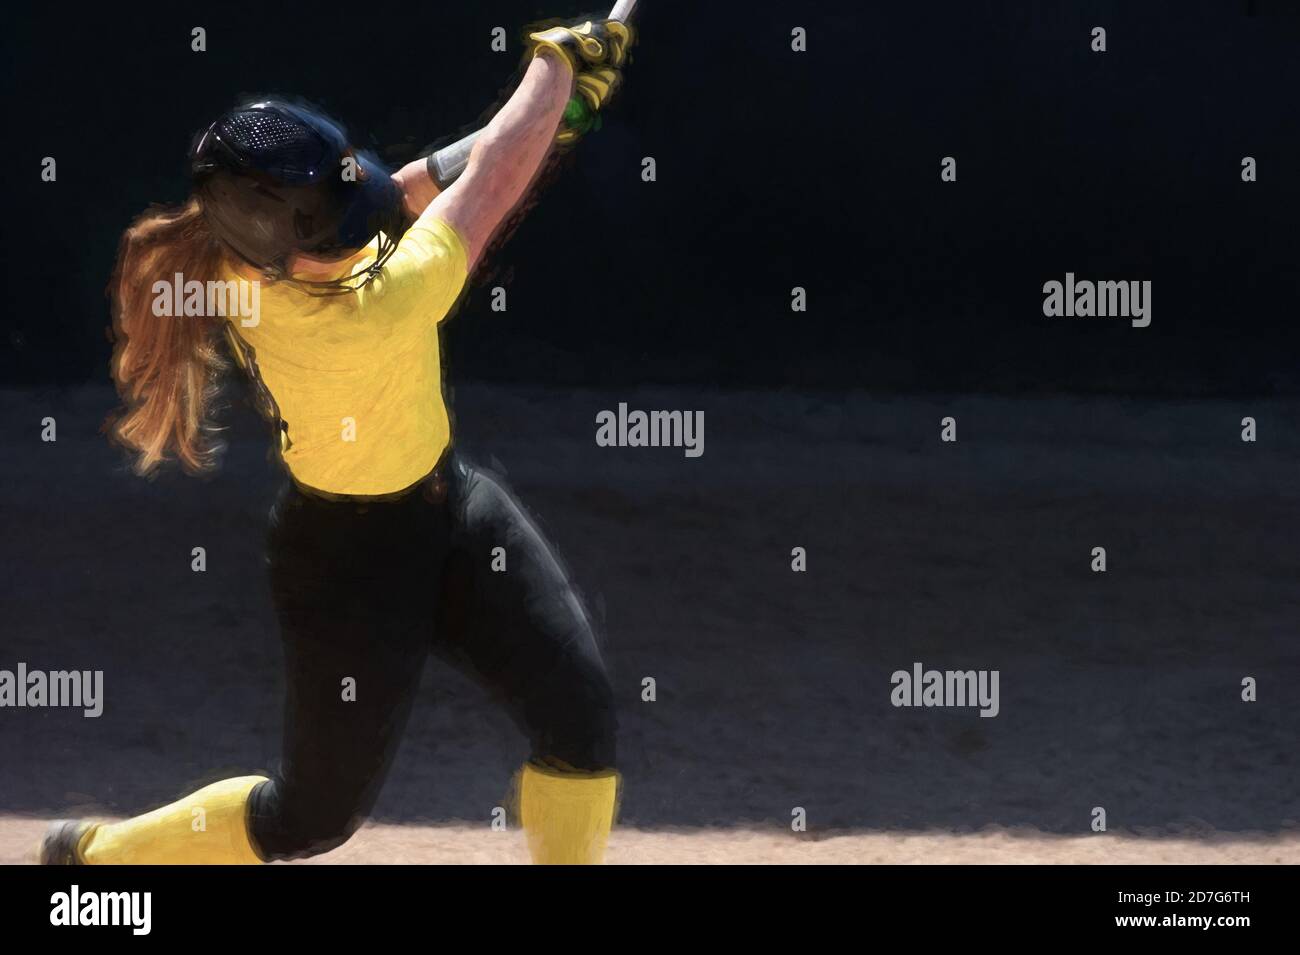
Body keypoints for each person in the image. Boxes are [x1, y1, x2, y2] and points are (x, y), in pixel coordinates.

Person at [40, 17, 633, 866]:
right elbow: (489, 183)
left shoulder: (249, 254)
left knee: (580, 719)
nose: (360, 226)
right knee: (308, 819)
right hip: (346, 566)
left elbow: (403, 189)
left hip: (454, 512)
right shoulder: (372, 307)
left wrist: (556, 118)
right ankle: (97, 857)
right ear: (284, 243)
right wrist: (554, 69)